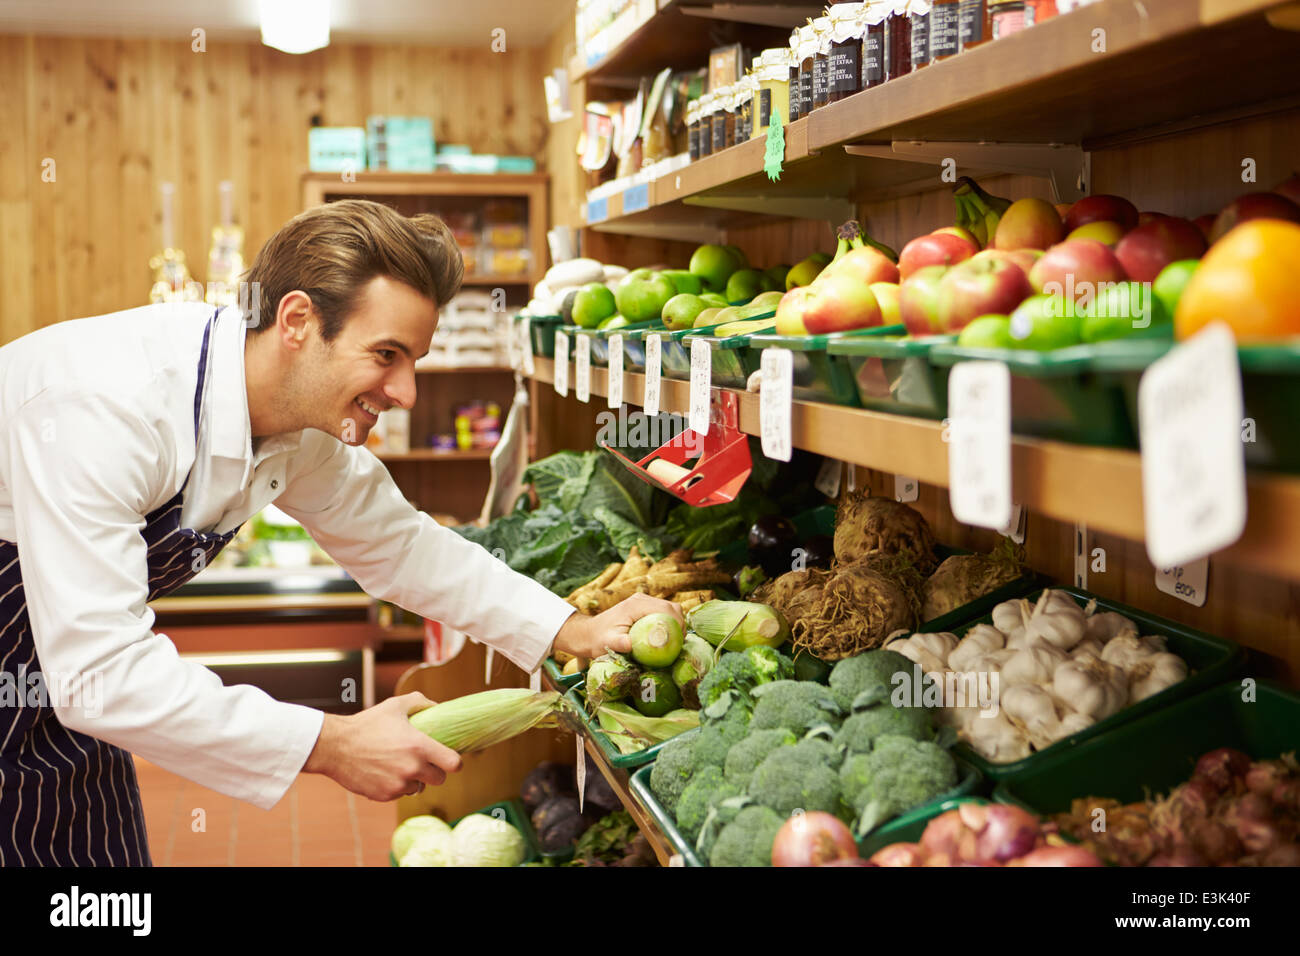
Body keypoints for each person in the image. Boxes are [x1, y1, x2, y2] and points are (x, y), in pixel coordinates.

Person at [0, 200, 681, 866]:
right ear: (297, 320)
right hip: (68, 665)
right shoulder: (104, 407)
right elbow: (98, 674)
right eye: (386, 353)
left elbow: (402, 547)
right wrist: (331, 743)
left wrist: (570, 630)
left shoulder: (296, 423)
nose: (407, 391)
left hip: (56, 678)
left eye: (412, 359)